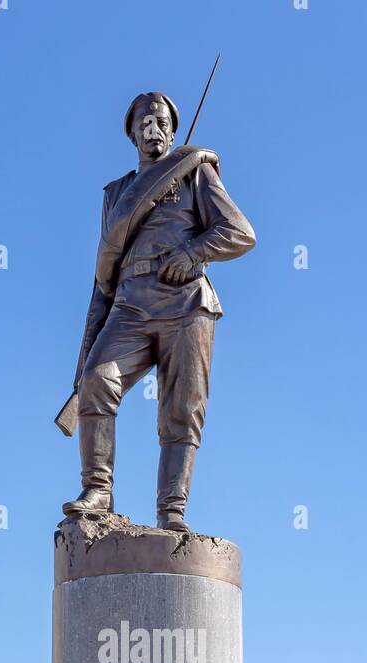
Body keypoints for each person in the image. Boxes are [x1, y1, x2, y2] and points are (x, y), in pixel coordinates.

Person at [61, 91, 255, 532]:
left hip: (186, 302)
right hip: (129, 302)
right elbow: (103, 272)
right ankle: (98, 490)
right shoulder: (116, 195)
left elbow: (240, 232)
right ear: (131, 132)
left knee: (181, 409)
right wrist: (88, 339)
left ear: (173, 128)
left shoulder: (193, 171)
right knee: (97, 379)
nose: (155, 128)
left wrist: (192, 251)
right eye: (145, 121)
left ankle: (172, 512)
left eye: (163, 121)